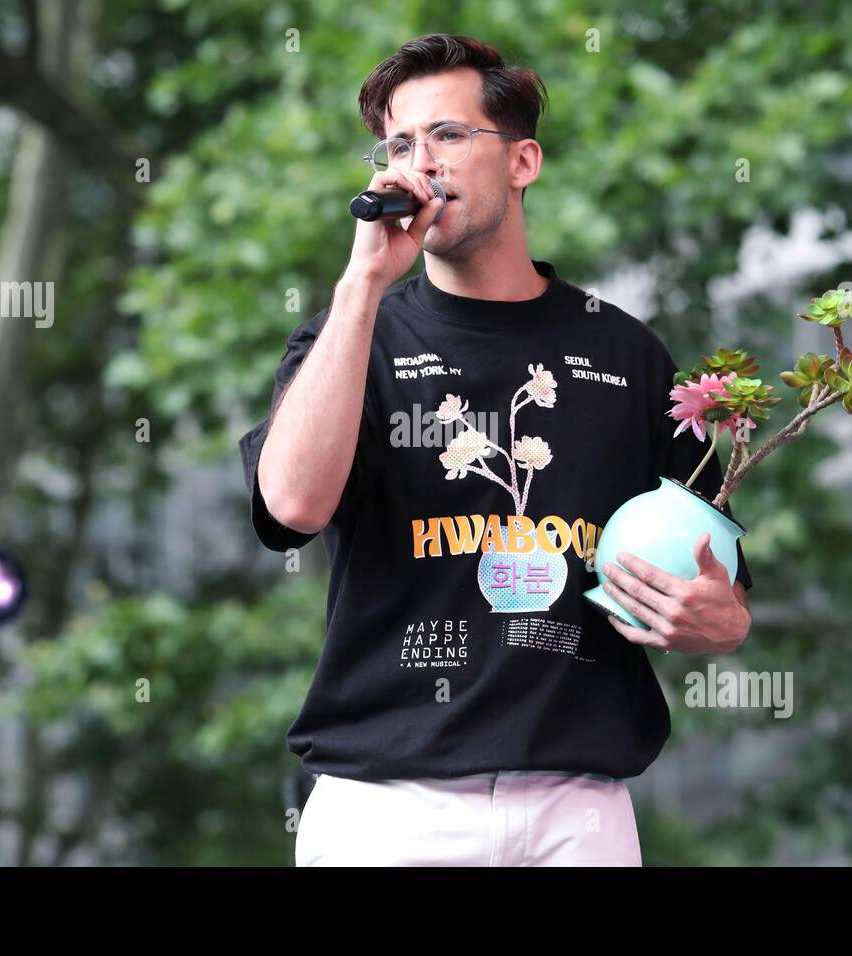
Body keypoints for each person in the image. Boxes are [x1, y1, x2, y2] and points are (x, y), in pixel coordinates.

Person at [238, 34, 753, 867]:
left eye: (446, 135)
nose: (421, 163)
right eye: (400, 145)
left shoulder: (626, 354)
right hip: (388, 805)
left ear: (522, 163)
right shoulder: (347, 338)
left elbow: (714, 584)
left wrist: (724, 623)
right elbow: (291, 507)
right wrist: (361, 285)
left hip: (580, 806)